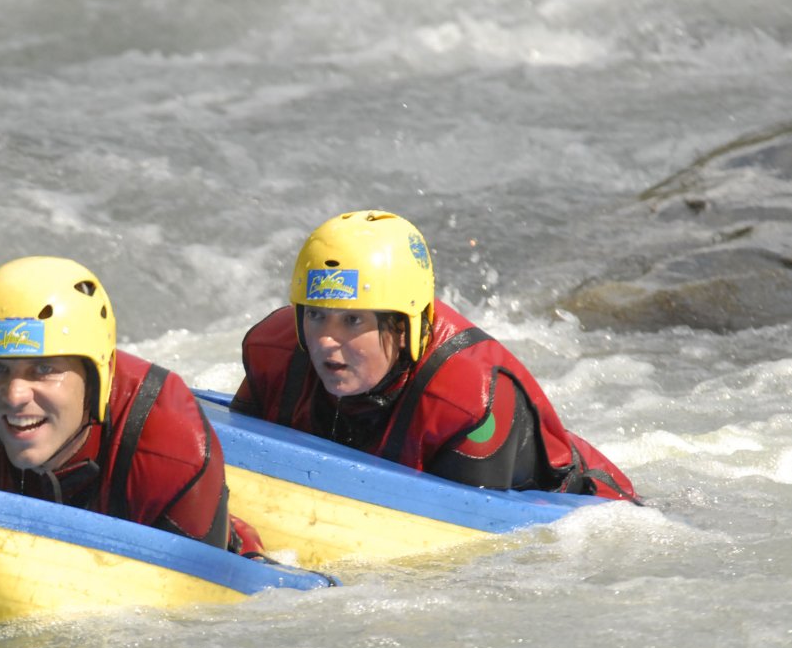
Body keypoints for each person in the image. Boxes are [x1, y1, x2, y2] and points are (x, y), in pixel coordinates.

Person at [231, 210, 638, 502]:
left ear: (403, 327)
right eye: (316, 315)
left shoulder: (470, 399)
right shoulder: (275, 353)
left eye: (352, 320)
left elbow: (472, 550)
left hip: (595, 507)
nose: (325, 341)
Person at [0, 256, 266, 555]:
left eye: (43, 369)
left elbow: (199, 611)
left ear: (96, 377)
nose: (14, 395)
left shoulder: (172, 447)